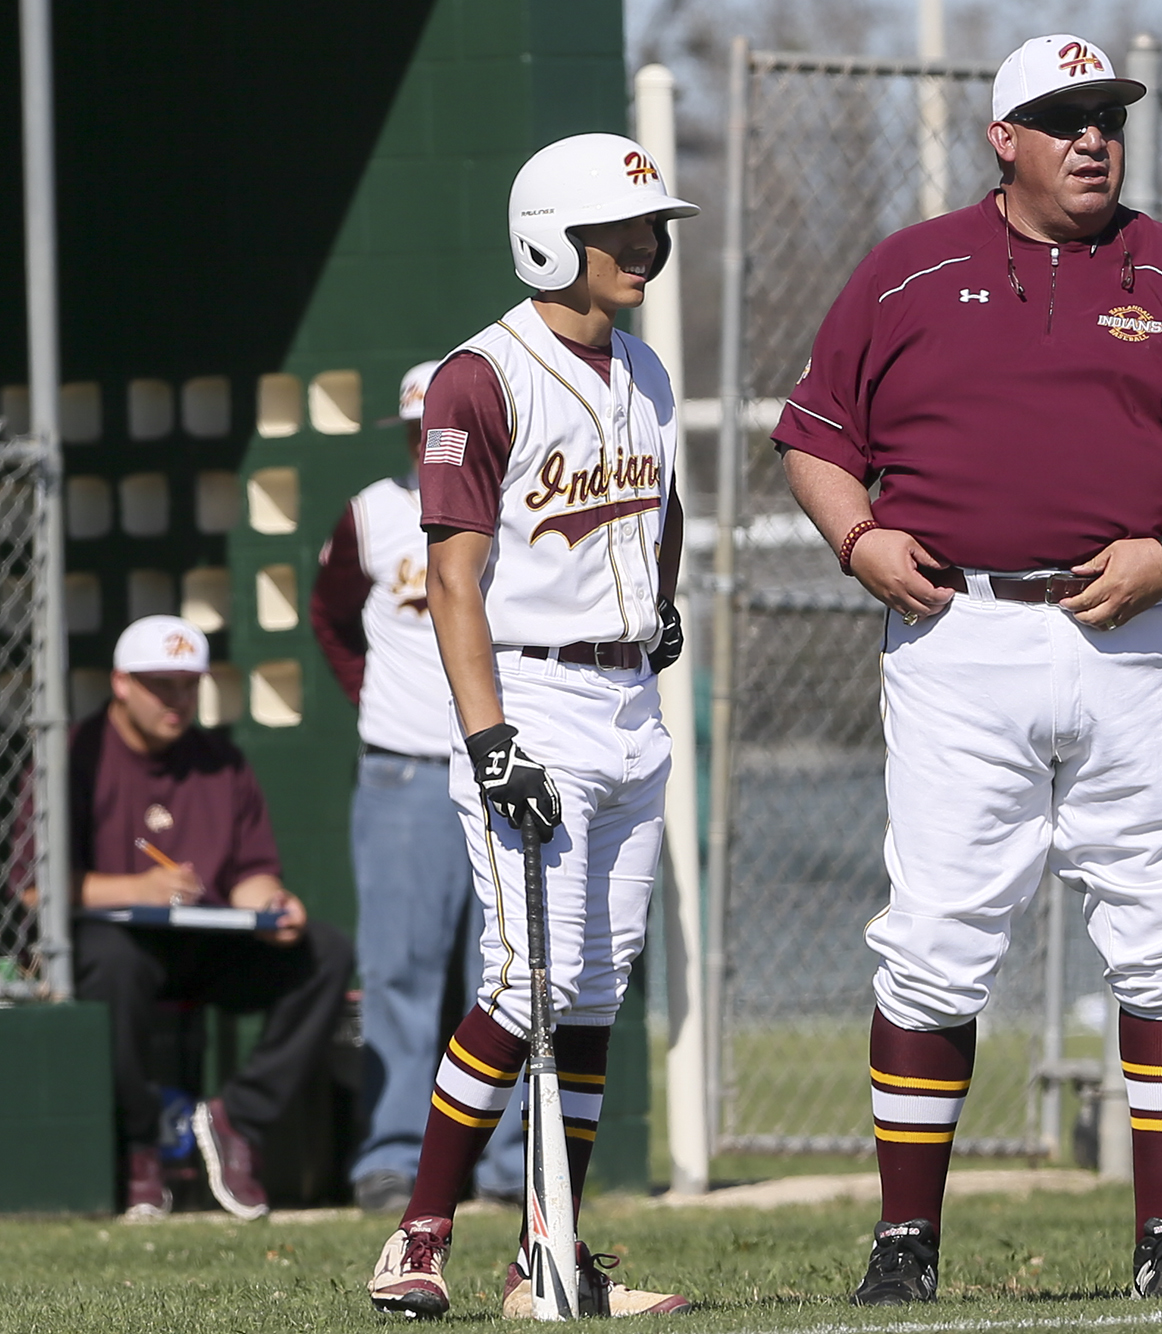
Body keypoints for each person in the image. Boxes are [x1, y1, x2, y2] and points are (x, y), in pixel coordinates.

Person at [772, 32, 1162, 1305]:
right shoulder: (907, 270)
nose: (1091, 136)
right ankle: (904, 1247)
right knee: (933, 935)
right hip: (957, 634)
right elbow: (810, 435)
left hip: (1134, 631)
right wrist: (855, 536)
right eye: (1060, 115)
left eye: (1105, 115)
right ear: (1001, 138)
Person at [365, 132, 695, 1319]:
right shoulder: (480, 373)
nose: (649, 249)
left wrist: (660, 609)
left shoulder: (646, 372)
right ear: (551, 237)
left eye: (656, 229)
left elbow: (655, 524)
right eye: (627, 233)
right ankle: (419, 1234)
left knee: (596, 984)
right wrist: (490, 733)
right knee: (520, 982)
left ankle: (544, 1256)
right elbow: (454, 576)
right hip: (530, 692)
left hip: (627, 700)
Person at [311, 359, 524, 1216]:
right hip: (404, 765)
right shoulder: (372, 513)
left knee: (505, 968)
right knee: (398, 970)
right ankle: (392, 1157)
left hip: (500, 759)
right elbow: (330, 615)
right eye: (414, 428)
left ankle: (512, 1165)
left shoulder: (508, 506)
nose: (429, 442)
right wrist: (375, 701)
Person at [70, 615, 355, 1222]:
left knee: (325, 952)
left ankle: (235, 1120)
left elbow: (250, 871)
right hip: (119, 943)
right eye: (160, 685)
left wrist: (273, 904)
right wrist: (136, 887)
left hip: (204, 939)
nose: (177, 701)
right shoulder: (76, 753)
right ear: (120, 683)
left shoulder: (220, 760)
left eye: (188, 685)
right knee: (110, 963)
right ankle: (142, 1146)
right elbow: (39, 889)